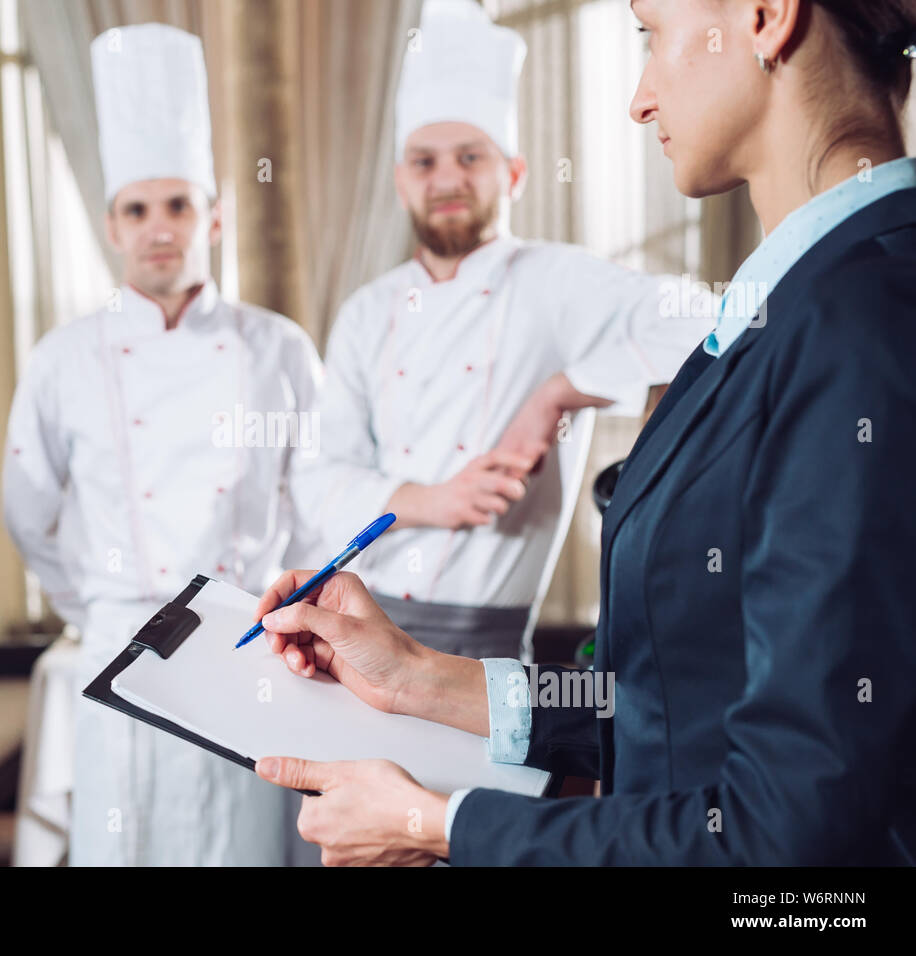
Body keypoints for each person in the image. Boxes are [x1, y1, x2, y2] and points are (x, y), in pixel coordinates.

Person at [252, 0, 916, 865]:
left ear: (763, 17)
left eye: (653, 34)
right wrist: (417, 674)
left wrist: (432, 824)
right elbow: (663, 702)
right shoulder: (790, 309)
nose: (639, 99)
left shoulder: (854, 322)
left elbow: (783, 838)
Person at [293, 0, 716, 663]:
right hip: (357, 629)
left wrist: (559, 392)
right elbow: (318, 482)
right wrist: (433, 500)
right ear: (402, 183)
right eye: (424, 162)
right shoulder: (366, 311)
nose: (447, 180)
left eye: (470, 156)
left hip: (484, 653)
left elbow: (709, 319)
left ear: (513, 174)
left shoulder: (556, 281)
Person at [3, 23, 323, 866]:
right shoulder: (63, 358)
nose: (159, 228)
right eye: (138, 210)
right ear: (111, 225)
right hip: (121, 652)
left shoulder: (280, 347)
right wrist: (99, 604)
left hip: (244, 650)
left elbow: (320, 504)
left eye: (178, 205)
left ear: (212, 217)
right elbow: (27, 513)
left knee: (243, 846)